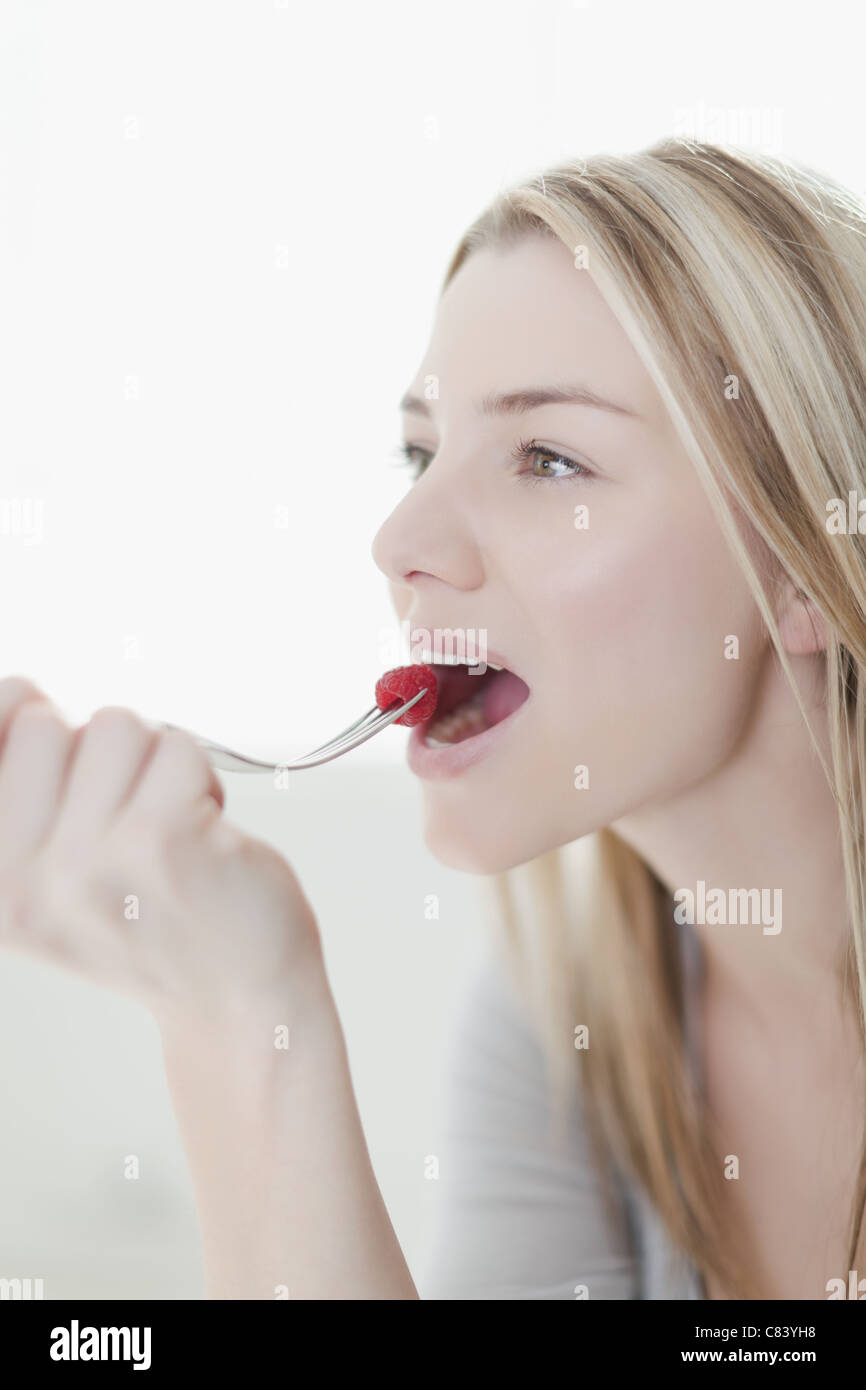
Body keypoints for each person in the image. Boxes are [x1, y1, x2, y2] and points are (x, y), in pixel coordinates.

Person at [2, 138, 864, 1300]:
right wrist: (241, 1010)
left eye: (547, 458)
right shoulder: (565, 1026)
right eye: (418, 451)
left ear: (804, 564)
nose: (398, 542)